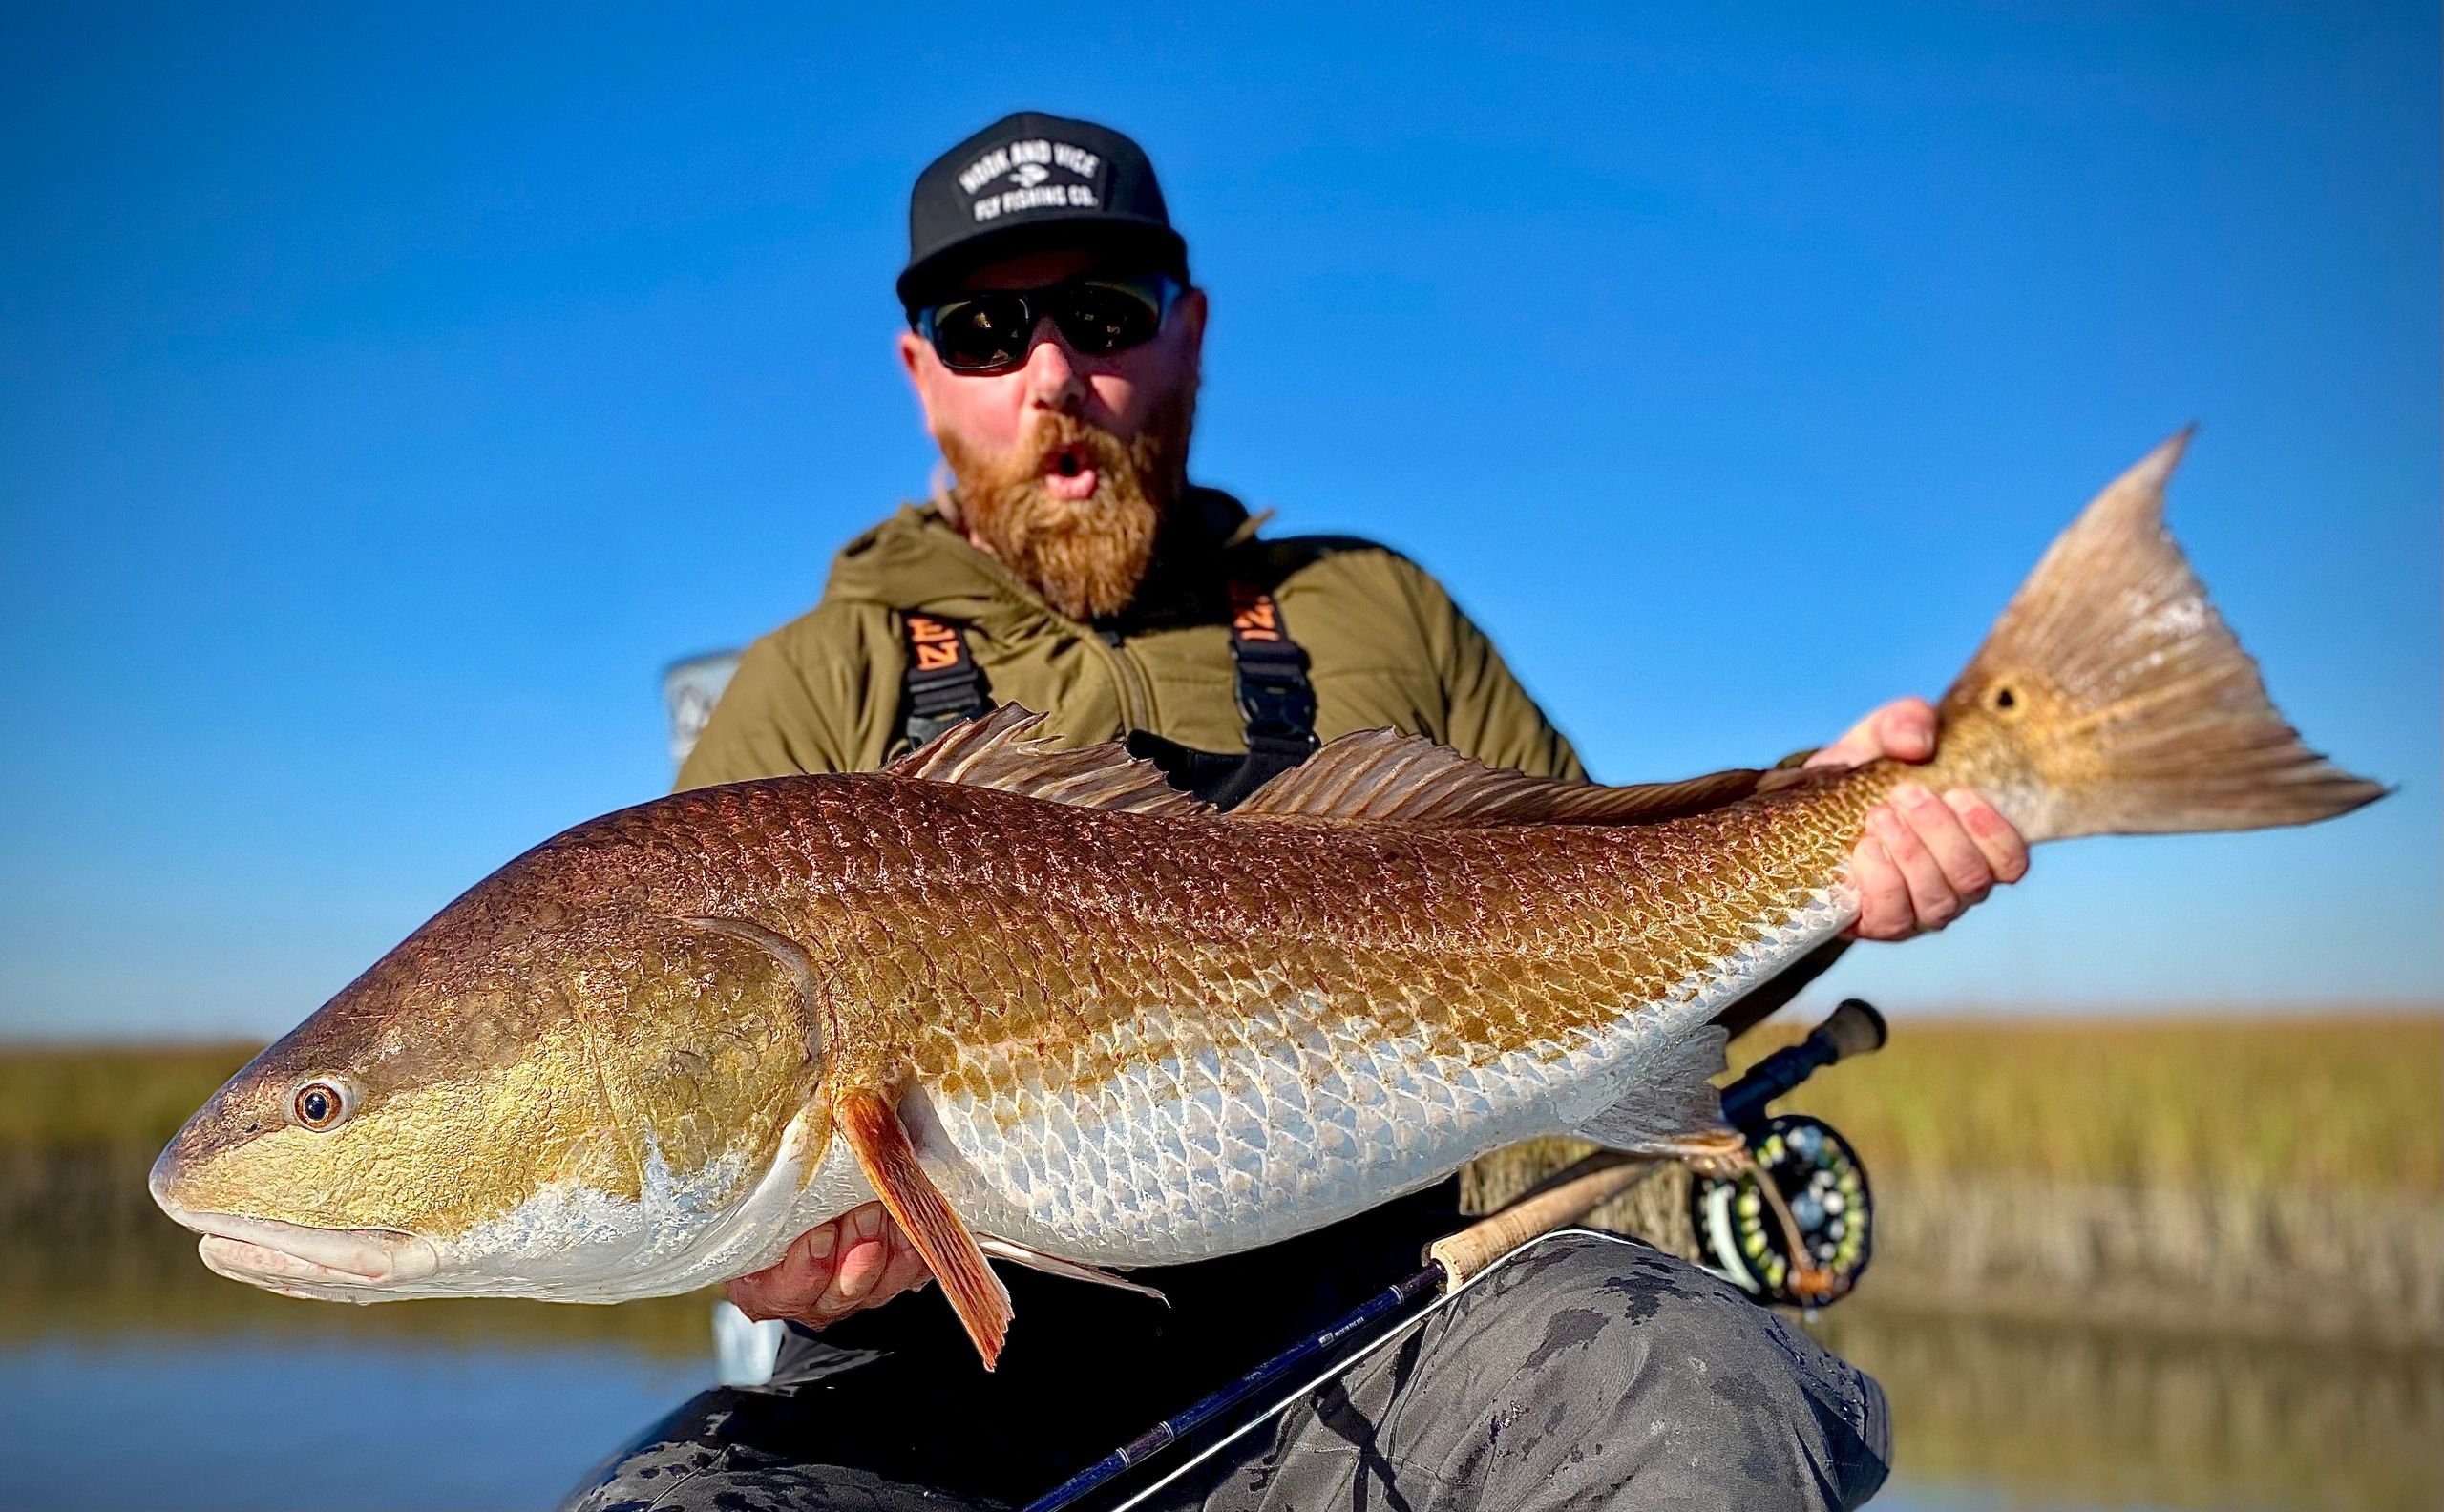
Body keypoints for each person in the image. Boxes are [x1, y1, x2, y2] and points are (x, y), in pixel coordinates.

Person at [566, 112, 2028, 1512]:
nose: (1055, 373)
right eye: (986, 333)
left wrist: (1833, 842)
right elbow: (683, 1117)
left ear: (1189, 329)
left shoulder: (1373, 610)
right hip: (932, 1414)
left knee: (1690, 1386)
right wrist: (754, 1251)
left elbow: (1625, 919)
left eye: (1106, 309)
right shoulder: (818, 681)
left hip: (1397, 1353)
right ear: (920, 372)